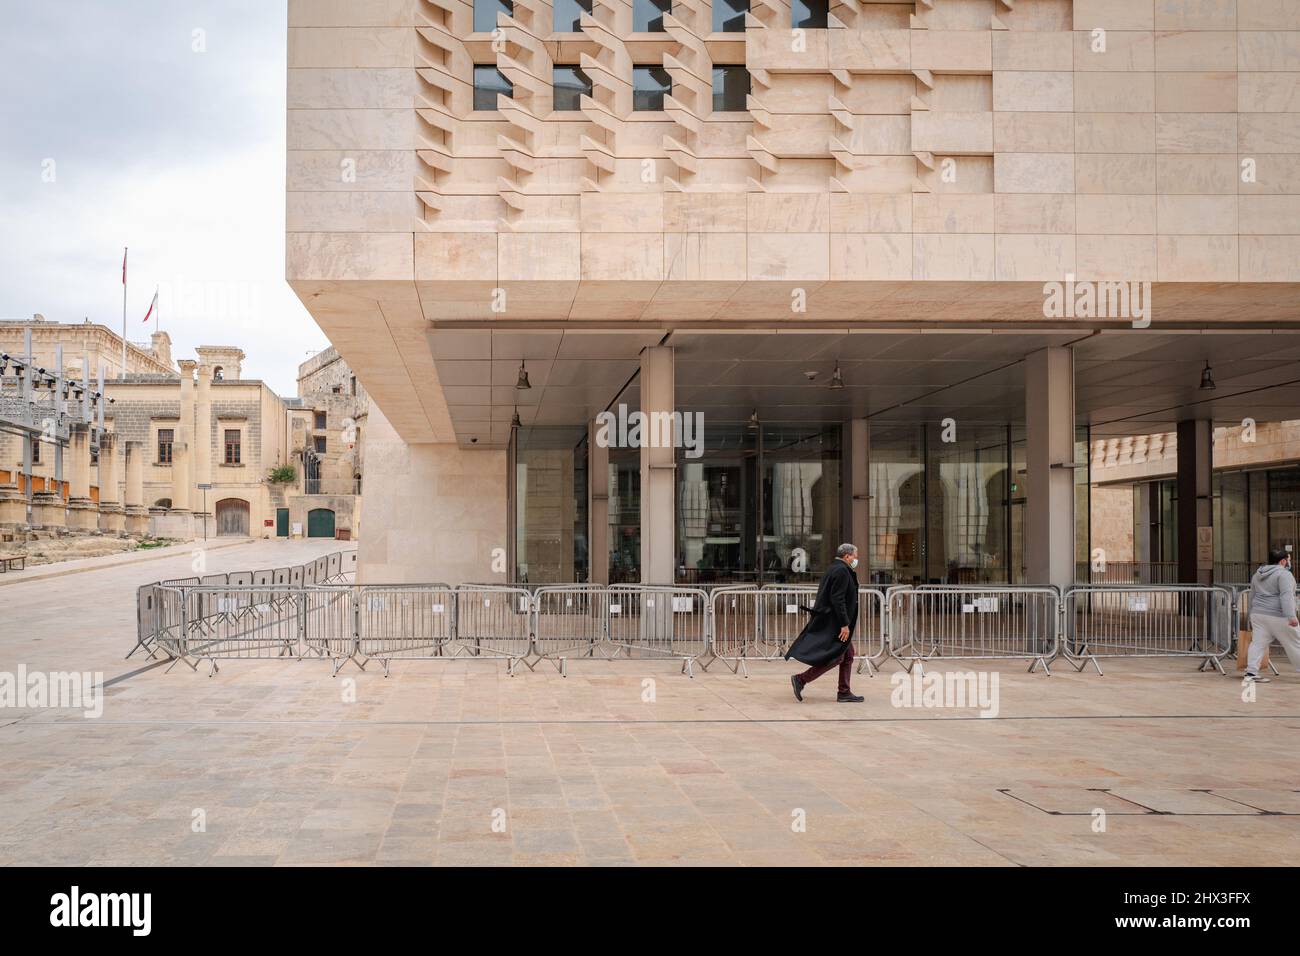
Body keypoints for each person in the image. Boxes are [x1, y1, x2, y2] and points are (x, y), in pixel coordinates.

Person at [786, 543, 864, 702]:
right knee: (838, 657)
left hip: (832, 620)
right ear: (847, 556)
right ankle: (801, 679)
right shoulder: (842, 570)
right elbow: (838, 598)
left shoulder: (834, 568)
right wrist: (844, 624)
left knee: (848, 655)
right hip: (835, 623)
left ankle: (844, 691)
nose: (856, 559)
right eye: (855, 556)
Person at [1245, 549, 1300, 683]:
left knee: (1257, 643)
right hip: (1279, 615)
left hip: (1258, 614)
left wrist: (1249, 615)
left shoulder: (1257, 574)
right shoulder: (1284, 575)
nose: (1289, 562)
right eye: (1288, 559)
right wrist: (1291, 616)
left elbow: (1252, 595)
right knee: (1295, 643)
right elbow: (1286, 596)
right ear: (1283, 561)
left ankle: (1251, 672)